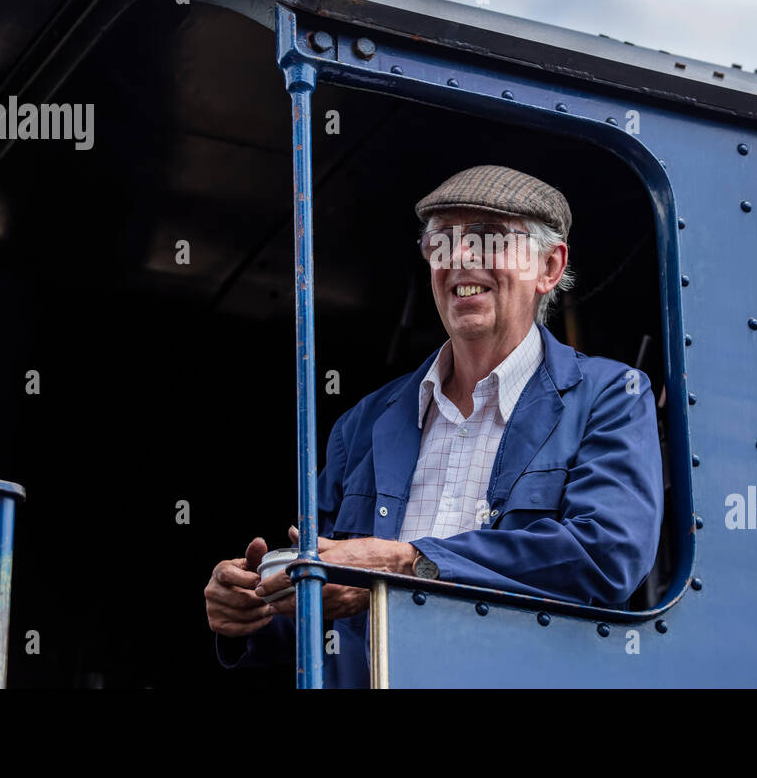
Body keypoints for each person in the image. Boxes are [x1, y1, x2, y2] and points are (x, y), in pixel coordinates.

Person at [204, 164, 663, 686]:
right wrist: (251, 607)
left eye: (490, 240)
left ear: (550, 267)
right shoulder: (363, 423)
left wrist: (409, 564)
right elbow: (323, 606)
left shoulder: (610, 396)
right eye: (442, 243)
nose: (462, 259)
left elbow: (606, 555)